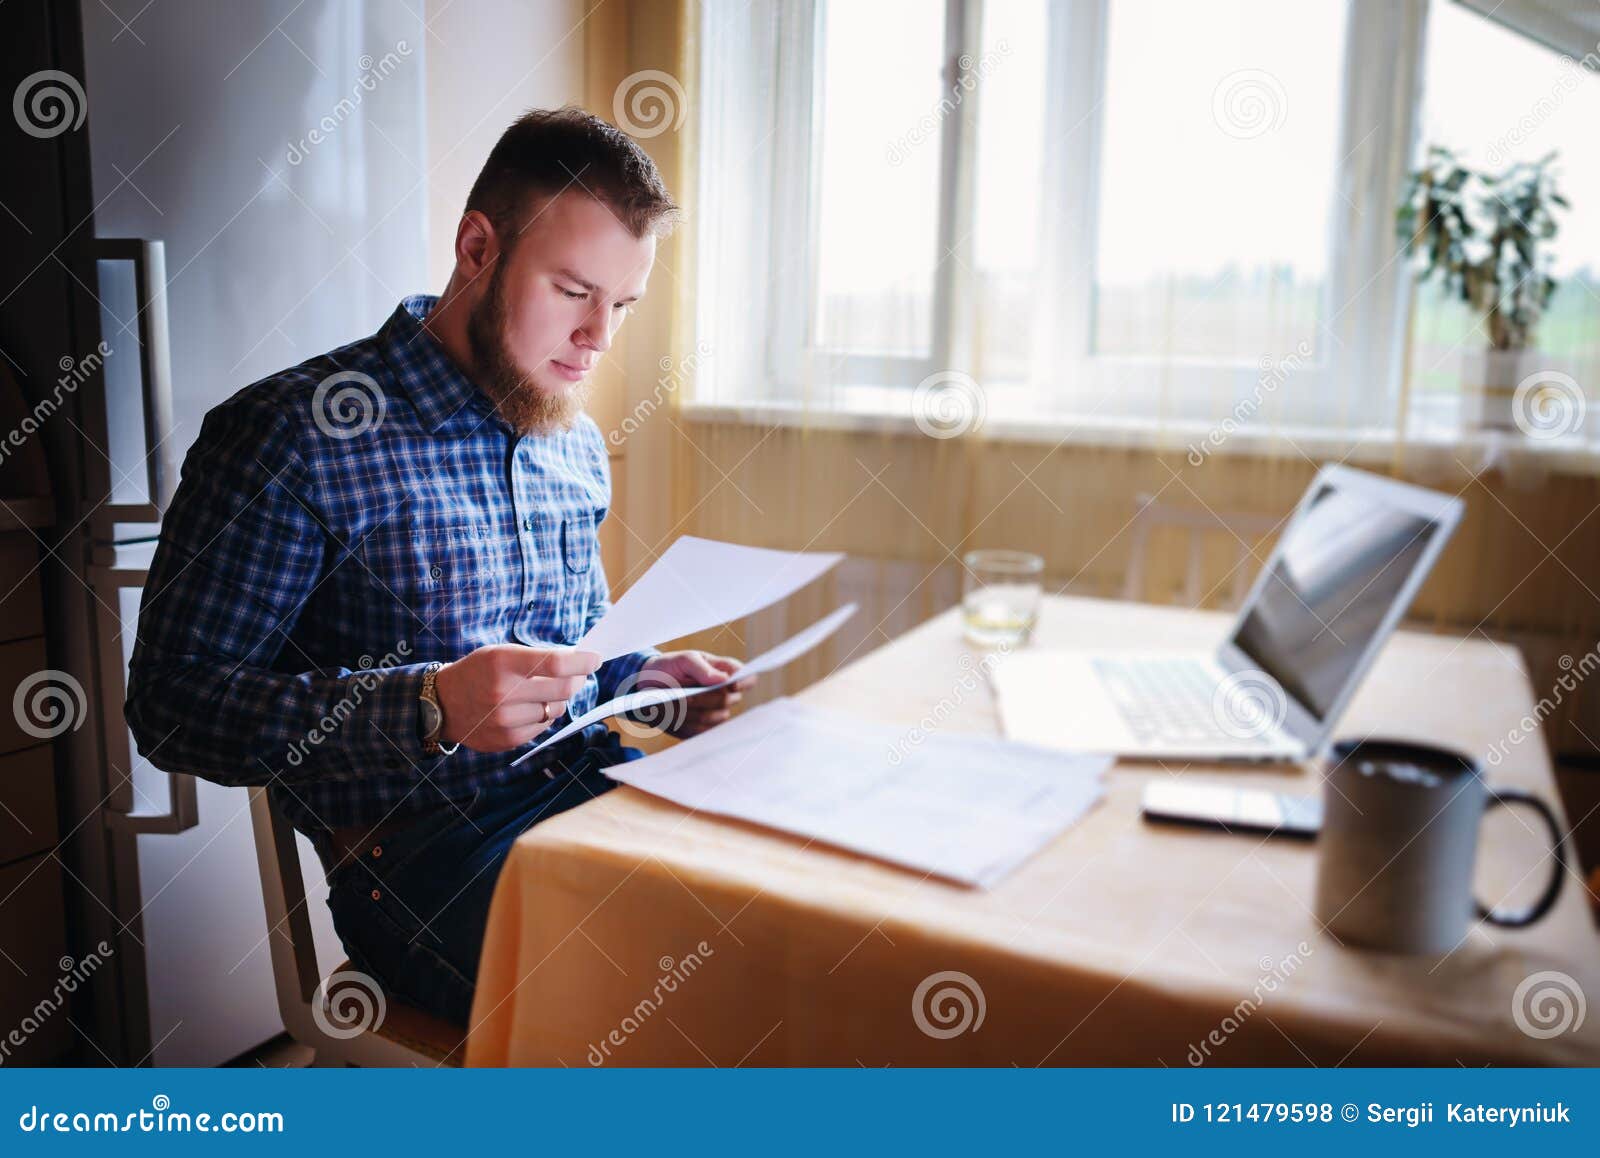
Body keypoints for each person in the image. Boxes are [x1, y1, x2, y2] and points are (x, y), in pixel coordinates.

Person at [125, 107, 752, 1028]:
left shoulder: (568, 438)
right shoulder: (294, 434)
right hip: (423, 866)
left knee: (798, 936)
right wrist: (430, 706)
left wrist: (644, 681)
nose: (598, 340)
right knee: (690, 1017)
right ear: (476, 247)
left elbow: (573, 660)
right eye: (574, 291)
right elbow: (173, 707)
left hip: (590, 793)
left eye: (622, 305)